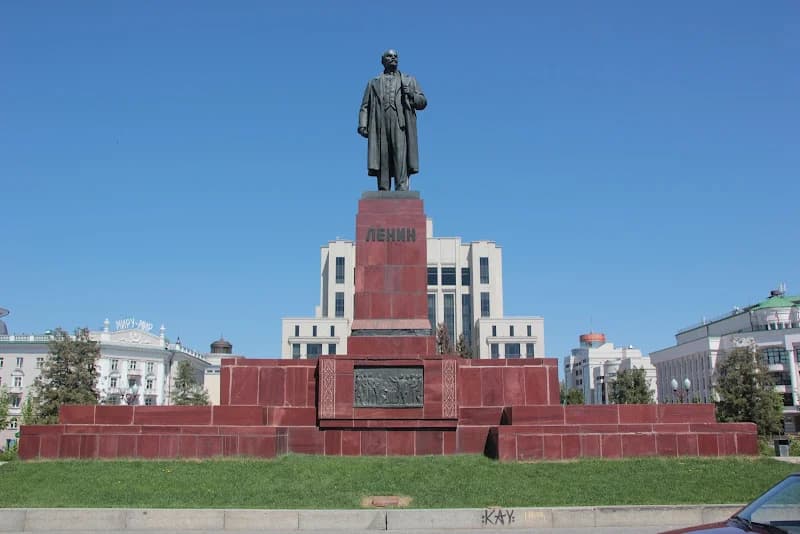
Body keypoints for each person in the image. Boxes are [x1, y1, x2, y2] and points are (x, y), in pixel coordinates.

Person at [358, 49, 427, 191]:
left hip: (400, 122)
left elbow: (423, 102)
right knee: (383, 154)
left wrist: (412, 95)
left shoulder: (408, 80)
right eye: (389, 56)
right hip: (379, 123)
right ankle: (383, 187)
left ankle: (401, 186)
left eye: (395, 56)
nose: (393, 58)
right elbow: (365, 105)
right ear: (383, 60)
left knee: (400, 153)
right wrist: (362, 125)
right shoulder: (373, 83)